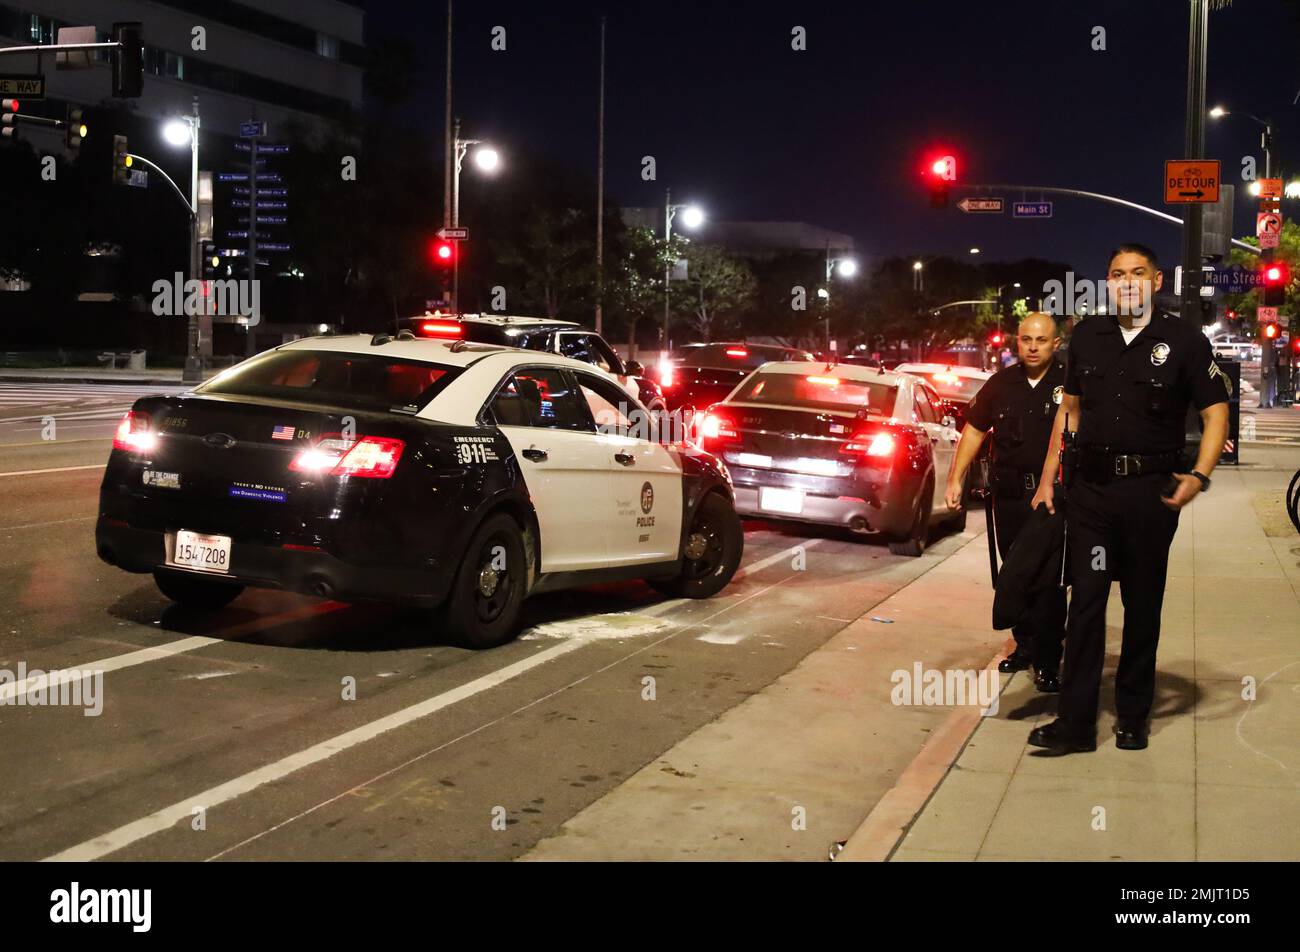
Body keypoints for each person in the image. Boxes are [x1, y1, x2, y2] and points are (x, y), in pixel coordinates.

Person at [1027, 242, 1230, 754]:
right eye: (1117, 274)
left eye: (1138, 273)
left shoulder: (1183, 341)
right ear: (1109, 283)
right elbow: (1069, 410)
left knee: (1142, 606)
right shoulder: (1088, 336)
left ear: (1157, 282)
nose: (1127, 282)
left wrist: (1199, 476)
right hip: (1091, 491)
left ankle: (1133, 715)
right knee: (1087, 605)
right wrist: (1050, 475)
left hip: (1149, 495)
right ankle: (1075, 723)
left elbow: (1215, 413)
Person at [946, 313, 1067, 690]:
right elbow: (974, 431)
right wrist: (955, 478)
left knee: (1047, 580)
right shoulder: (1001, 384)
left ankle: (1048, 659)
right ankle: (1025, 646)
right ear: (1017, 341)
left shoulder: (1070, 383)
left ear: (1056, 343)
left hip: (1049, 499)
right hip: (1009, 495)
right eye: (1026, 339)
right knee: (1012, 575)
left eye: (1041, 340)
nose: (1032, 346)